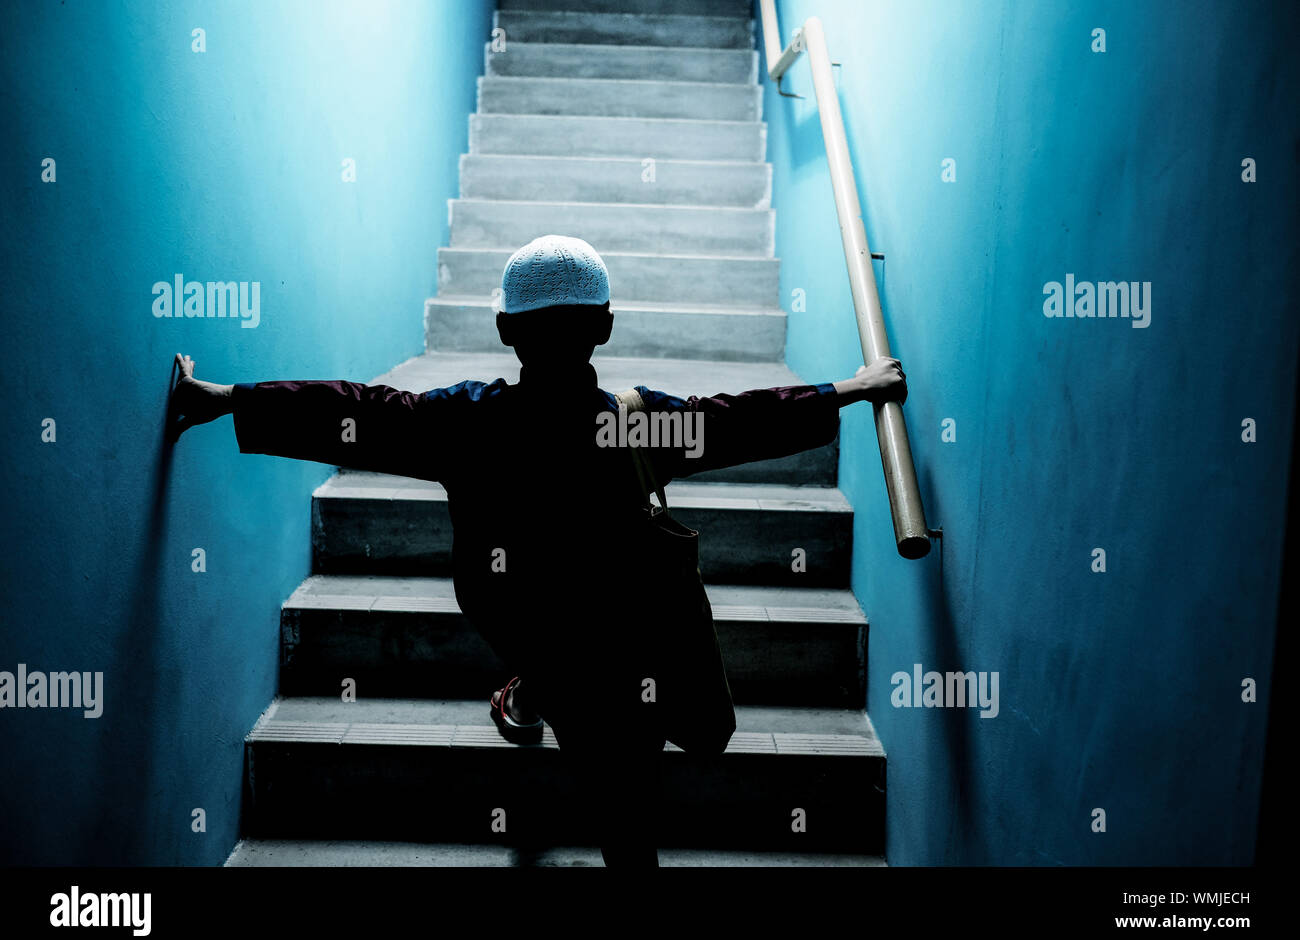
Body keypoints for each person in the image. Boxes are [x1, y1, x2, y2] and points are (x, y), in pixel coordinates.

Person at [169, 234, 907, 866]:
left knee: (557, 657)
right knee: (625, 791)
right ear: (607, 327)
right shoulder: (631, 426)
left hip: (519, 617)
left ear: (502, 328)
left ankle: (533, 689)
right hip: (623, 642)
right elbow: (742, 423)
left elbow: (350, 411)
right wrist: (849, 387)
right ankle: (552, 716)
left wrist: (227, 397)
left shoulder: (466, 423)